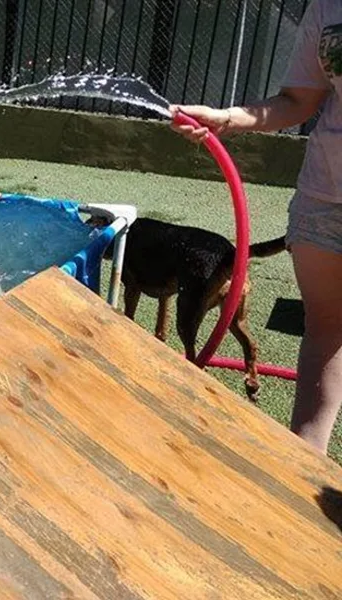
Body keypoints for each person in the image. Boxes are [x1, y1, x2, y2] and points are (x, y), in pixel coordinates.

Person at [171, 0, 341, 453]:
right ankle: (305, 469)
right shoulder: (326, 8)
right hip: (325, 199)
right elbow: (298, 101)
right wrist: (228, 119)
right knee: (325, 329)